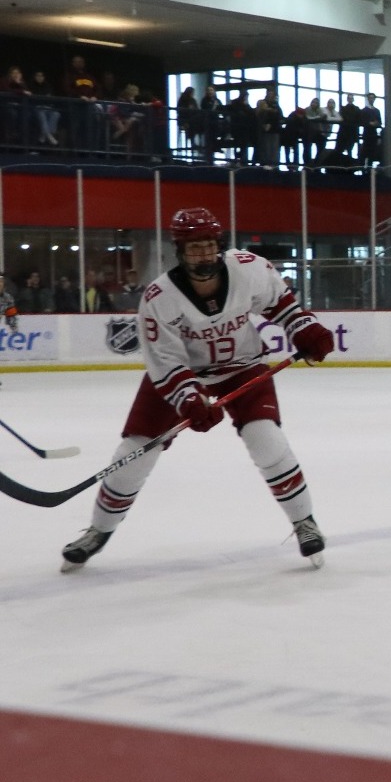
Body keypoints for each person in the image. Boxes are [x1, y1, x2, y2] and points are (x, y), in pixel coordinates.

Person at [57, 208, 336, 573]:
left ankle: (304, 522)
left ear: (218, 246)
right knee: (134, 453)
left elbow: (282, 305)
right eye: (194, 248)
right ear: (180, 251)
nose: (203, 255)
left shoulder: (248, 268)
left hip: (242, 366)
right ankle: (99, 530)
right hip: (182, 377)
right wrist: (190, 398)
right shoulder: (160, 297)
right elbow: (167, 362)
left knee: (266, 439)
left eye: (208, 247)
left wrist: (305, 329)